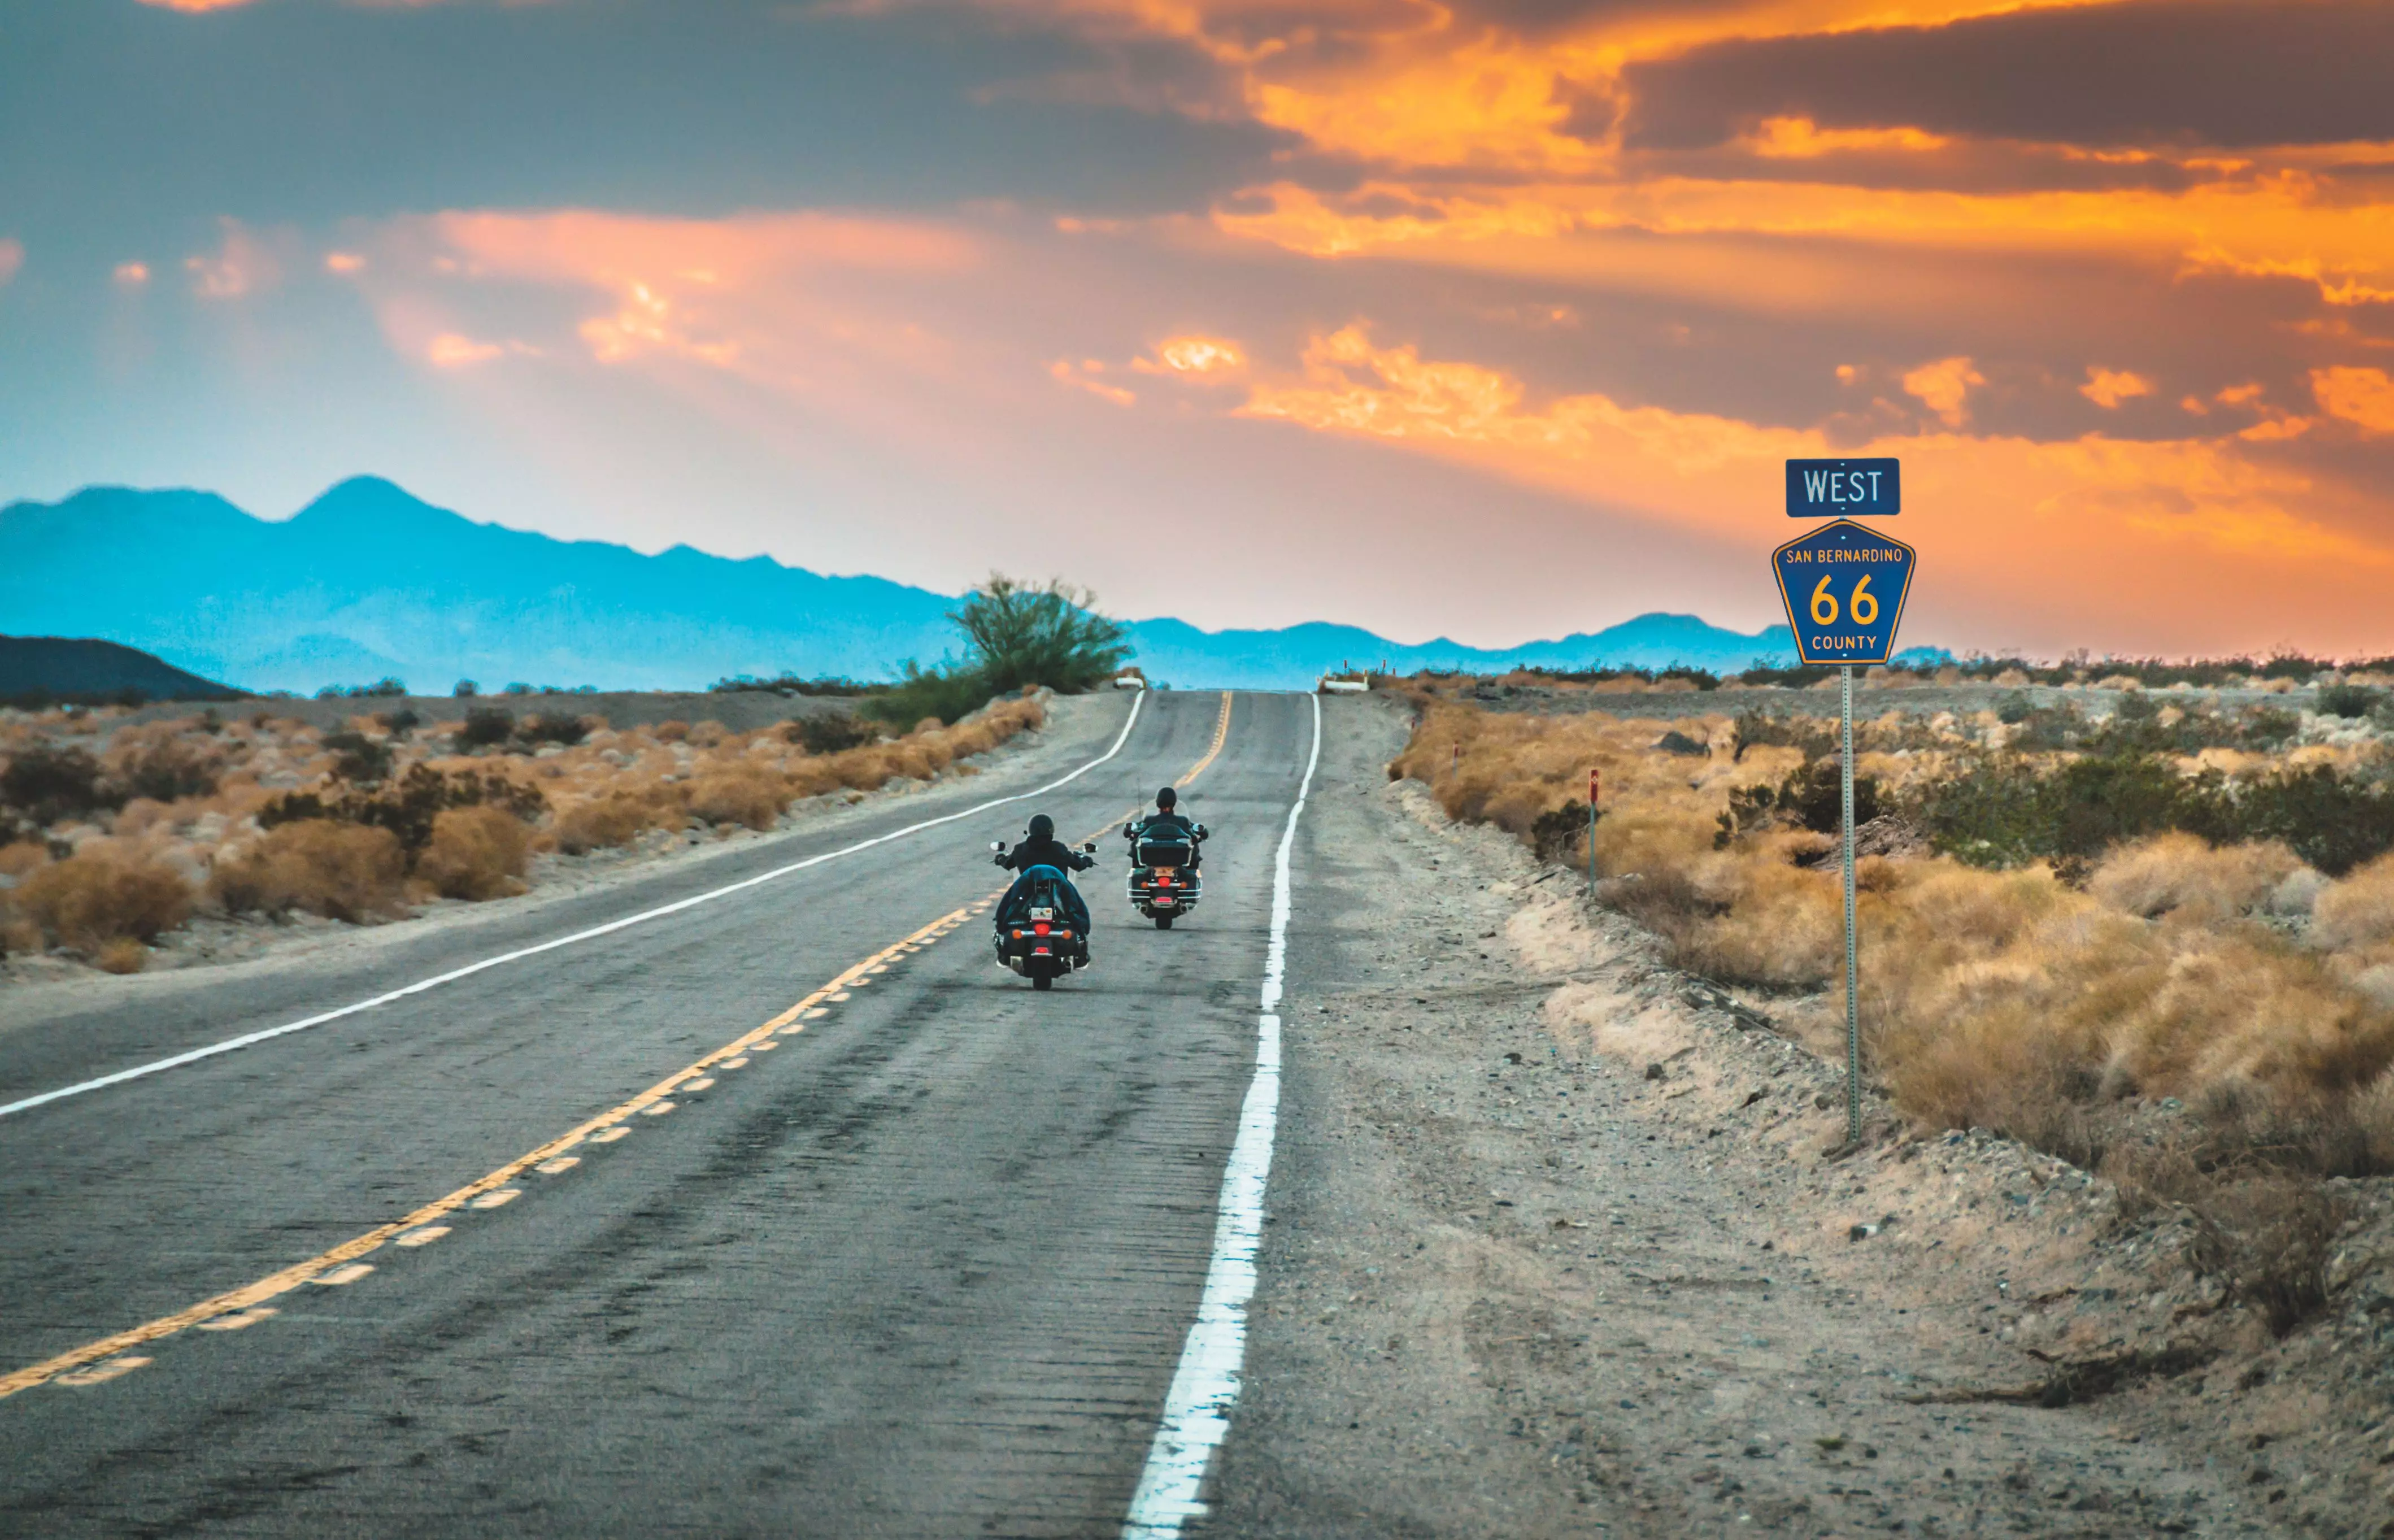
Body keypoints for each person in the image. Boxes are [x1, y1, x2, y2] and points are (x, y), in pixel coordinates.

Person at [995, 813, 1094, 935]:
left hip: (1026, 892)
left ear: (1030, 830)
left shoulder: (1020, 849)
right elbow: (1077, 865)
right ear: (1051, 830)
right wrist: (1086, 861)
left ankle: (1000, 930)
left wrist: (1000, 859)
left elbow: (1007, 863)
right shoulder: (1059, 849)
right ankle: (1083, 933)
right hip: (1058, 891)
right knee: (1079, 910)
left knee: (1006, 908)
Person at [1124, 786, 1205, 870]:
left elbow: (1136, 831)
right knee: (1193, 845)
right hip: (1179, 862)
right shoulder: (1182, 821)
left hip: (1151, 861)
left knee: (1136, 843)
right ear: (1174, 802)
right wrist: (1200, 834)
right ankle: (1192, 871)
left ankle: (1138, 869)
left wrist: (1131, 833)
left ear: (1158, 802)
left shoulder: (1149, 820)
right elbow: (1195, 834)